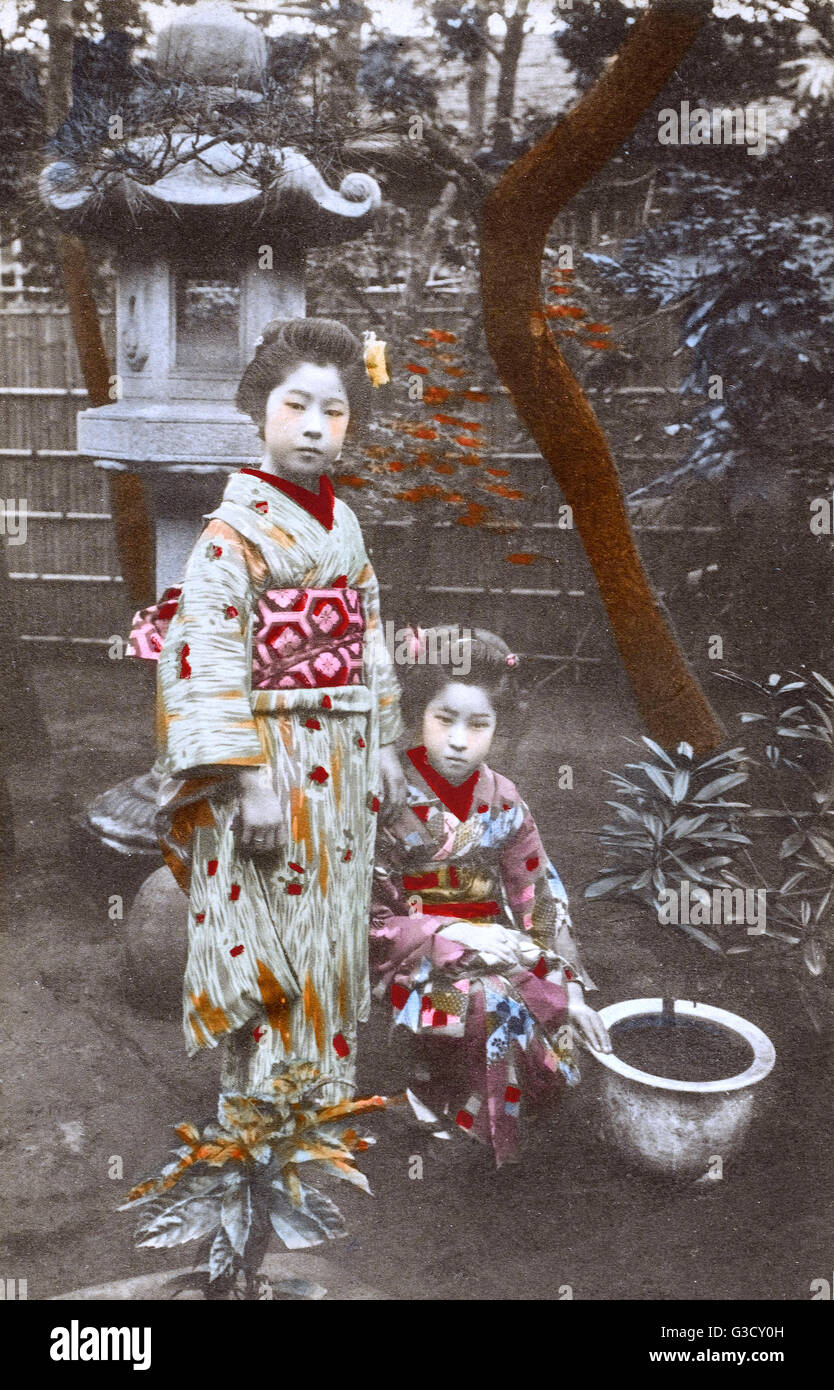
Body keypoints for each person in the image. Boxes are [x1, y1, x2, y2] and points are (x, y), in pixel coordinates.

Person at [151, 318, 406, 1103]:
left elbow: (366, 635)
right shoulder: (231, 535)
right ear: (261, 410)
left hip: (346, 758)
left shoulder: (345, 525)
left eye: (333, 412)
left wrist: (388, 741)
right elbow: (204, 654)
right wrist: (248, 779)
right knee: (270, 932)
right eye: (296, 406)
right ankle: (261, 1114)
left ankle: (322, 1101)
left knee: (332, 926)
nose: (313, 427)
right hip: (272, 763)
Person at [369, 626, 611, 1166]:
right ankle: (436, 1091)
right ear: (414, 715)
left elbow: (535, 888)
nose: (459, 740)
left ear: (500, 729)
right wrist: (446, 932)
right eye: (443, 719)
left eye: (479, 725)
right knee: (481, 1003)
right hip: (407, 944)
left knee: (555, 1017)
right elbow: (369, 912)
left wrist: (566, 983)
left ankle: (475, 1093)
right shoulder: (385, 792)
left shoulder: (501, 796)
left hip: (490, 939)